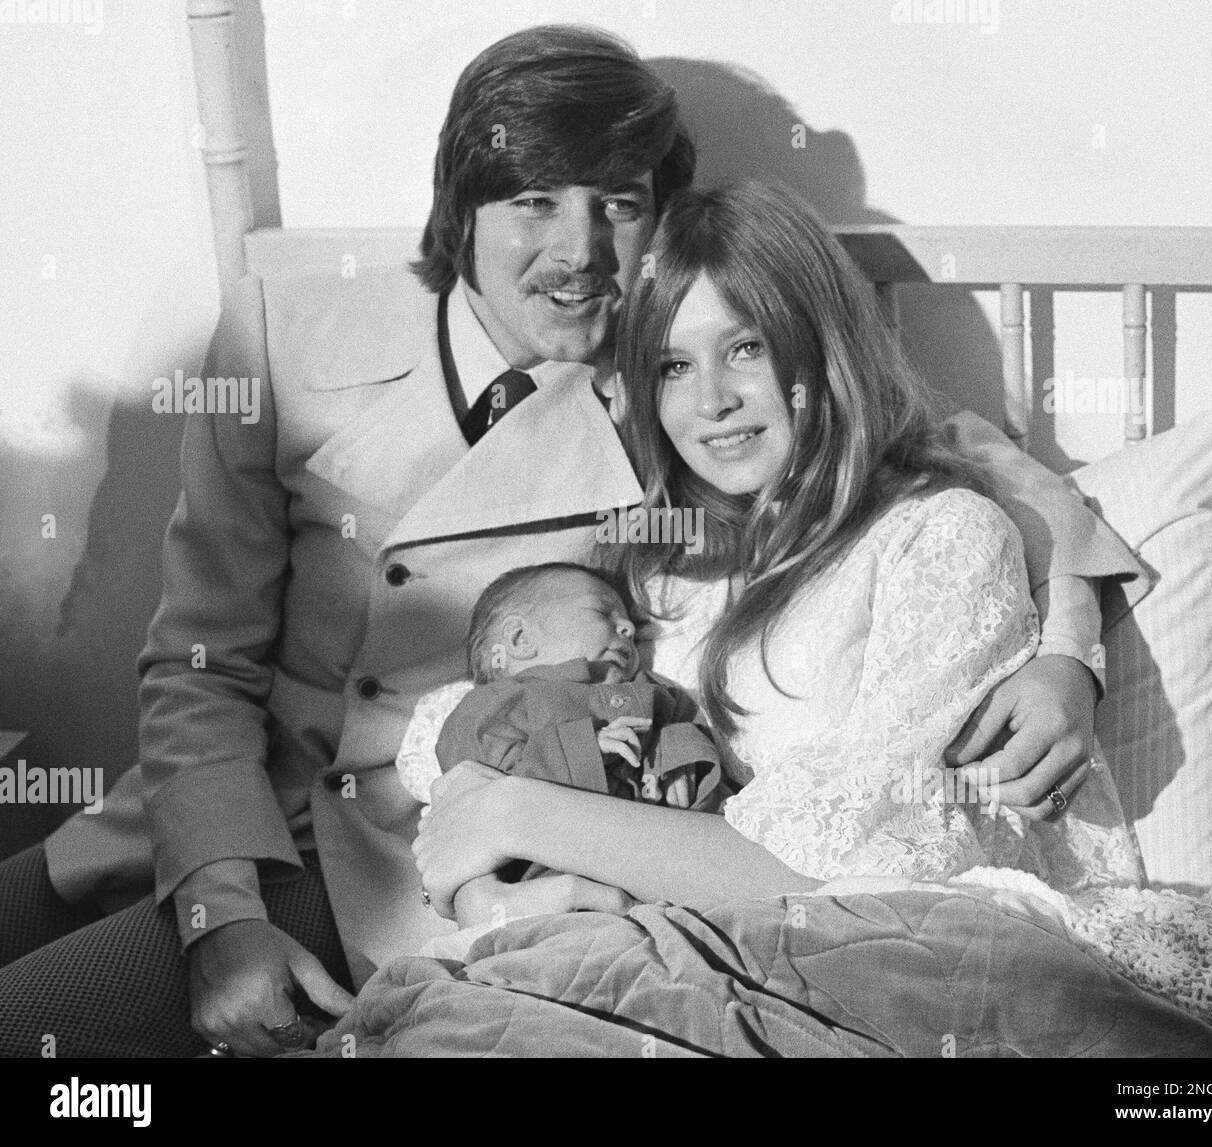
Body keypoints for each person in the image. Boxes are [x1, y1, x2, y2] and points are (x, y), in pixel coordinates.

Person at [0, 26, 1141, 1058]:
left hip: (400, 857)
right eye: (535, 201)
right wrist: (216, 906)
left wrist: (1066, 647)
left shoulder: (674, 382)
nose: (579, 250)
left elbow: (930, 446)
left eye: (619, 204)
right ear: (462, 210)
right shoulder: (280, 337)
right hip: (209, 817)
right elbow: (202, 659)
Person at [412, 181, 1143, 920]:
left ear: (823, 349)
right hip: (661, 942)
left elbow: (816, 877)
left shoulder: (937, 540)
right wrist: (487, 887)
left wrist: (515, 814)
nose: (711, 402)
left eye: (746, 348)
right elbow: (496, 727)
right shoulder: (658, 562)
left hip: (872, 951)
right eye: (674, 366)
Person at [423, 560, 723, 812]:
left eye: (631, 626)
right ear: (520, 639)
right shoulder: (492, 707)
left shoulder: (647, 688)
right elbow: (485, 799)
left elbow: (690, 723)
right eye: (603, 613)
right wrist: (582, 751)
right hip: (548, 866)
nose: (629, 629)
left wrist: (677, 757)